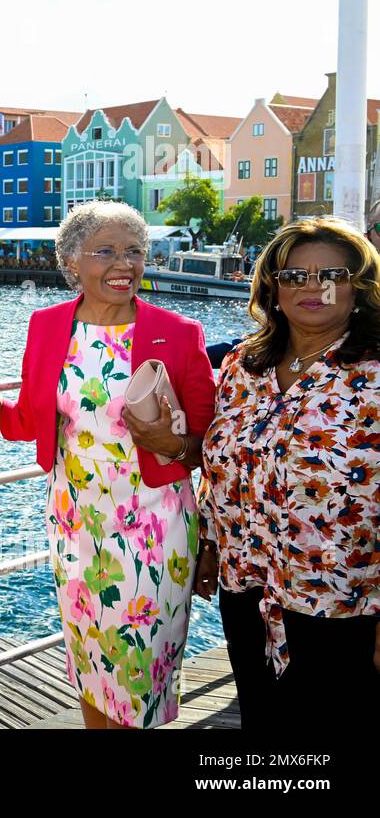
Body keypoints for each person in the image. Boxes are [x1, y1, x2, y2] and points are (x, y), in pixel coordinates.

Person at [0, 201, 216, 729]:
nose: (123, 263)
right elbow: (23, 422)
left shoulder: (178, 333)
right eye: (105, 250)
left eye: (134, 251)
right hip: (76, 524)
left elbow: (209, 445)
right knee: (90, 660)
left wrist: (169, 445)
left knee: (140, 664)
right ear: (71, 261)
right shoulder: (46, 327)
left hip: (155, 525)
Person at [199, 217, 380, 728]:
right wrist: (210, 544)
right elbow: (224, 466)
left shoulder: (373, 373)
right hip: (247, 588)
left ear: (359, 288)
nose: (313, 287)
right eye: (294, 276)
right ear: (273, 288)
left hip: (342, 601)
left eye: (333, 274)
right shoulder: (242, 366)